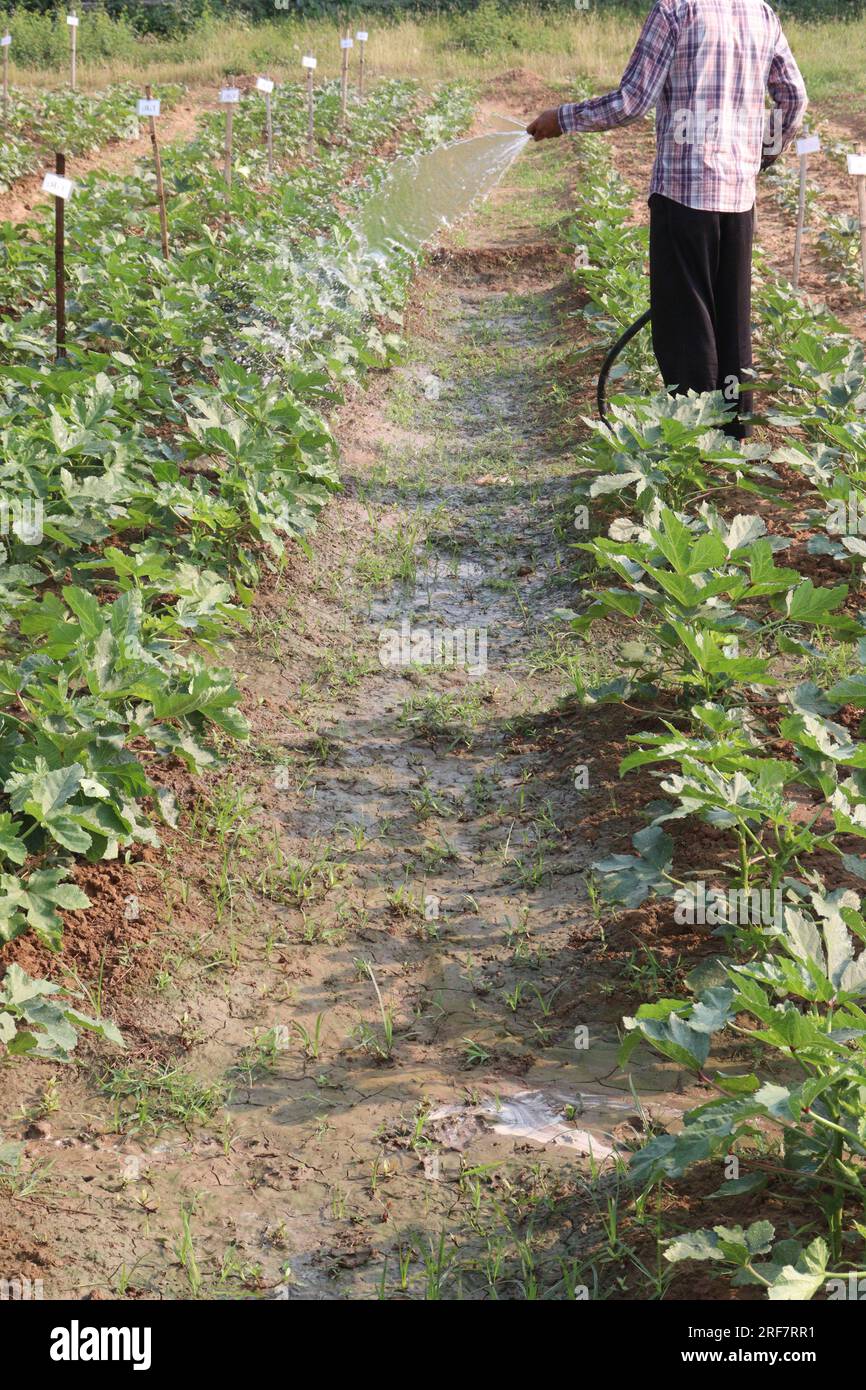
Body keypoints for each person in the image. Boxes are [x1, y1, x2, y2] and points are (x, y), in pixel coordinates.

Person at [527, 0, 807, 437]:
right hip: (738, 195)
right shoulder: (760, 13)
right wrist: (763, 154)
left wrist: (562, 119)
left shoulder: (675, 11)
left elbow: (631, 102)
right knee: (732, 321)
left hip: (684, 193)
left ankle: (695, 436)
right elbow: (794, 97)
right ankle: (735, 435)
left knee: (685, 321)